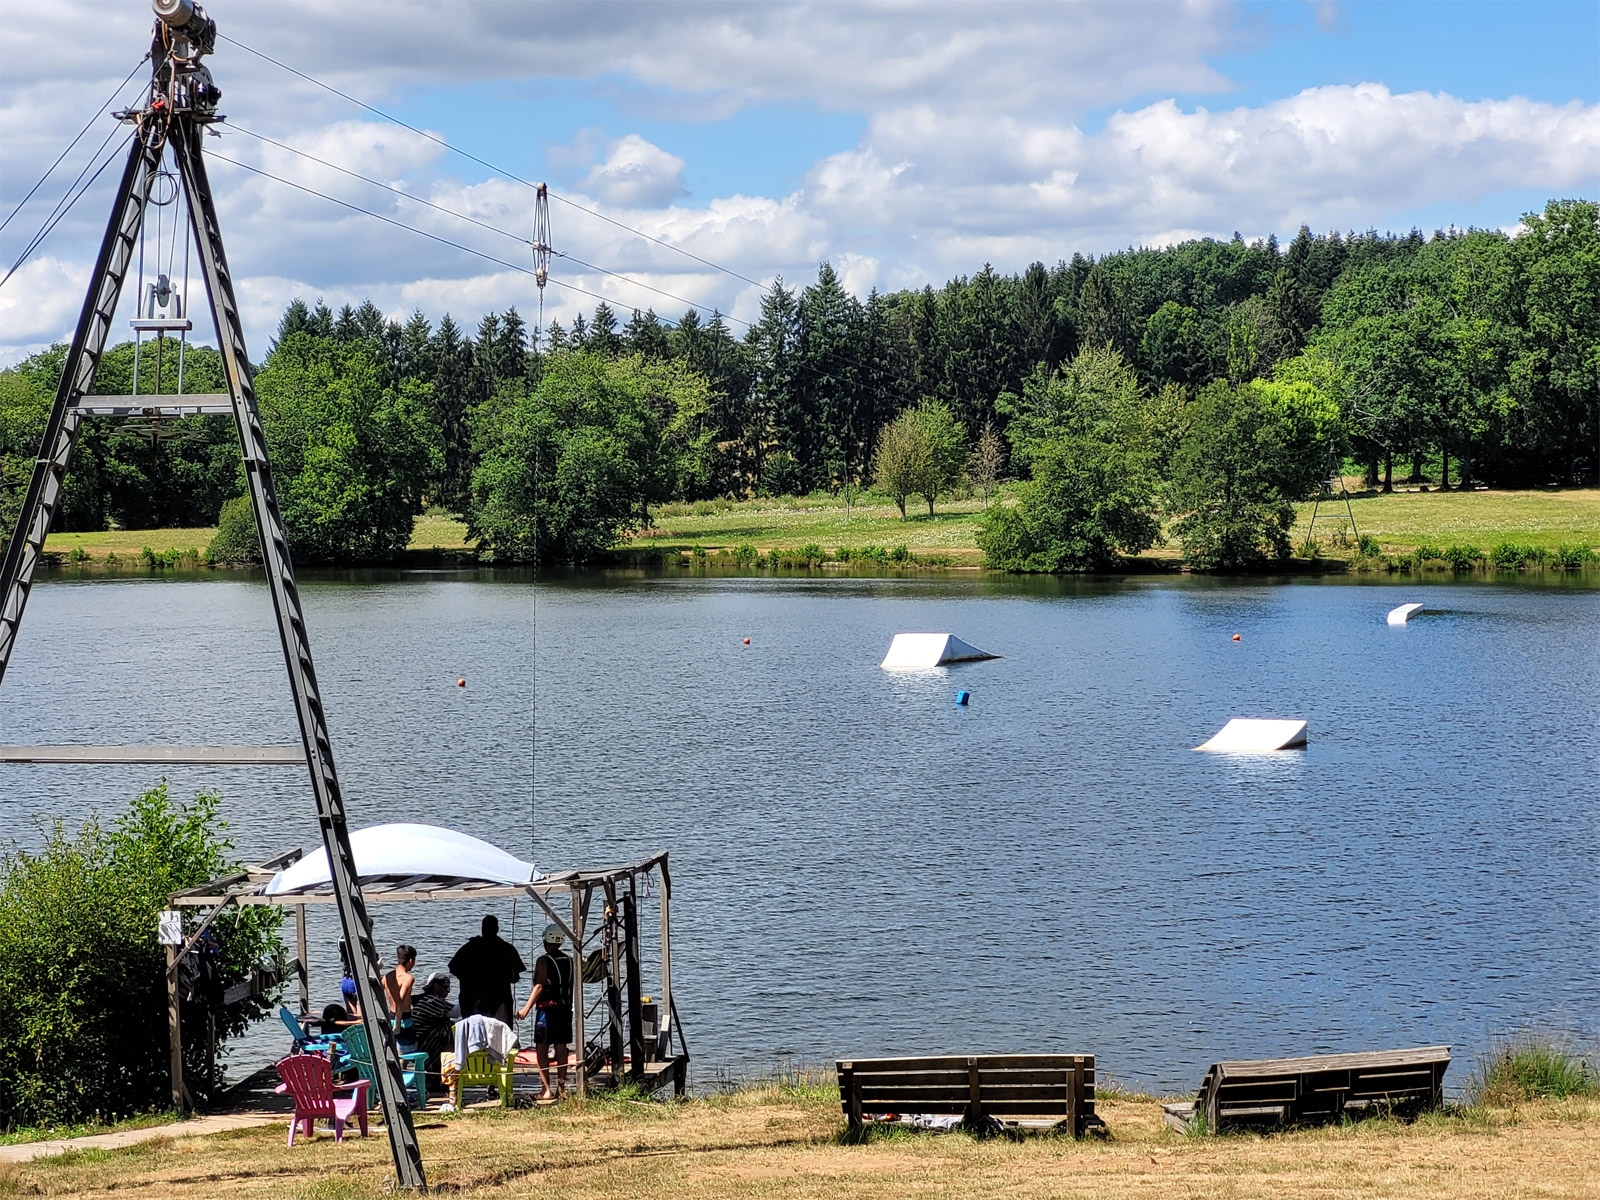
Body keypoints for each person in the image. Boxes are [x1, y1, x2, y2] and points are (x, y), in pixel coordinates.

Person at [517, 925, 573, 1101]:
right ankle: (562, 1088)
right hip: (565, 1008)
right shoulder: (570, 960)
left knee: (542, 1047)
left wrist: (526, 1008)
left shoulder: (543, 960)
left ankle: (546, 1089)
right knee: (561, 1046)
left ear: (545, 940)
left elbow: (539, 985)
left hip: (547, 1010)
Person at [448, 915, 526, 1026]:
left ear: (482, 929)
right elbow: (515, 978)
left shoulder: (469, 948)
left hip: (473, 1002)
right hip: (500, 1002)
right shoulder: (507, 949)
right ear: (497, 930)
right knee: (501, 1036)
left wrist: (469, 978)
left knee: (475, 1036)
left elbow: (453, 968)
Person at [409, 971, 457, 1088]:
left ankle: (437, 1074)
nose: (447, 991)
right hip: (422, 1043)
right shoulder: (432, 1000)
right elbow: (457, 1011)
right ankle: (445, 1071)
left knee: (449, 1025)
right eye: (445, 987)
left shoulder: (424, 999)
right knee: (450, 1029)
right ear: (436, 986)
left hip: (420, 1040)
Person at [384, 944, 417, 1043]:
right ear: (411, 961)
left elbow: (376, 987)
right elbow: (400, 1000)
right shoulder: (408, 978)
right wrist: (397, 1025)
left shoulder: (387, 976)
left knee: (394, 1051)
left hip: (391, 1017)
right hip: (403, 1020)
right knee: (407, 1053)